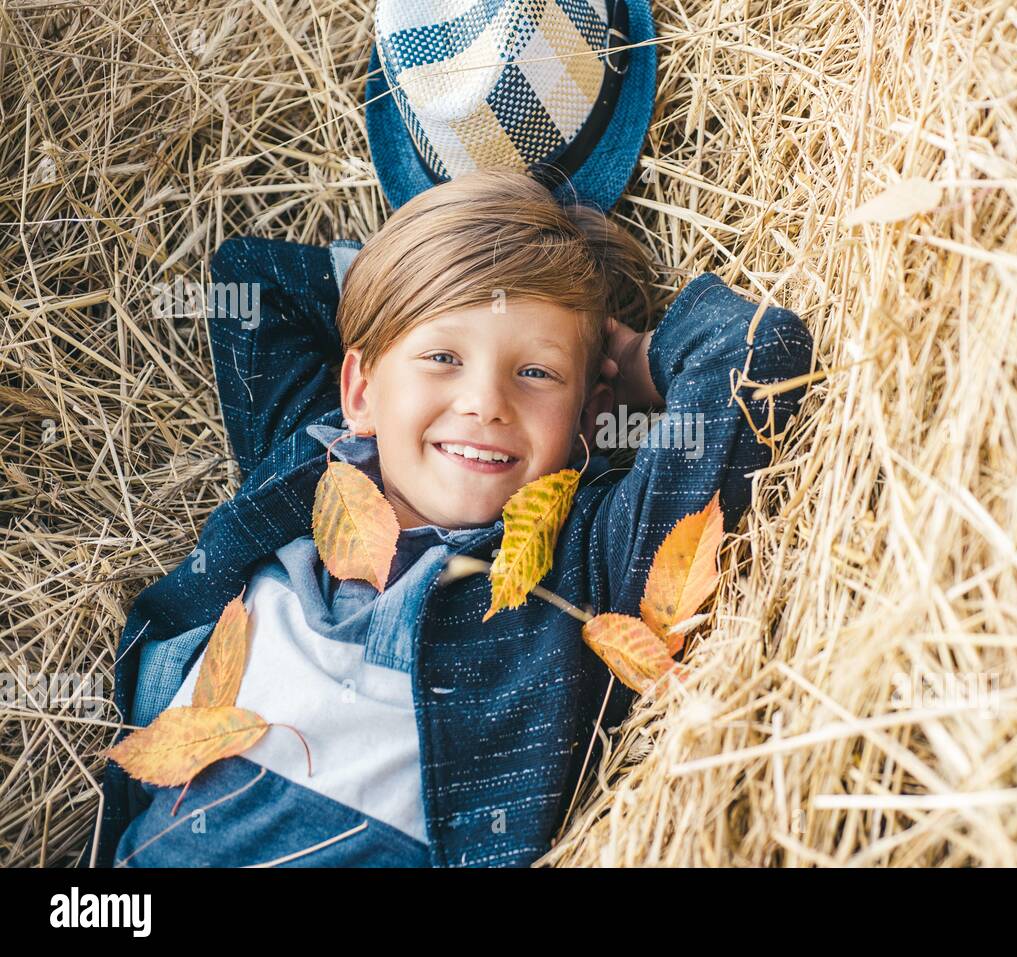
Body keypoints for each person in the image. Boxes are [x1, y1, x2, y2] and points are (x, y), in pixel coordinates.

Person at [79, 0, 815, 868]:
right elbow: (252, 283)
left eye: (535, 372)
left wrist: (632, 354)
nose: (485, 402)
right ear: (360, 385)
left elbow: (763, 353)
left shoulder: (583, 559)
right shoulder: (313, 457)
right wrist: (444, 251)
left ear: (586, 417)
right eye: (438, 358)